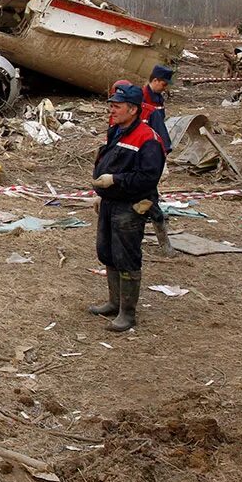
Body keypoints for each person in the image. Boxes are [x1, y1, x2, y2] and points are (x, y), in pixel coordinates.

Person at [89, 84, 165, 332]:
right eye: (111, 104)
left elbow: (147, 178)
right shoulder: (116, 131)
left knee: (127, 257)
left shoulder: (148, 139)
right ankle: (114, 302)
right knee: (107, 252)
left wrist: (115, 181)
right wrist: (102, 193)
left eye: (117, 106)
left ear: (133, 109)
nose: (112, 109)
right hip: (111, 202)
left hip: (131, 206)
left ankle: (127, 314)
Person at [140, 66, 175, 255]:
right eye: (163, 84)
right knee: (149, 194)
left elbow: (160, 127)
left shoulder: (158, 99)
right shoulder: (140, 99)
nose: (165, 88)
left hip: (155, 150)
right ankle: (164, 243)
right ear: (155, 80)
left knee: (150, 190)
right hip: (144, 153)